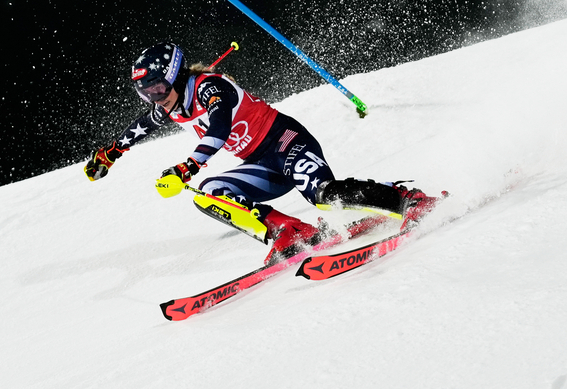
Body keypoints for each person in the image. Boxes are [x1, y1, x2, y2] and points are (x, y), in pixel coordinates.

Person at [84, 42, 440, 263]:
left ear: (175, 75)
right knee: (210, 195)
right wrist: (111, 153)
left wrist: (188, 166)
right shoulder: (169, 105)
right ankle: (288, 233)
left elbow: (219, 128)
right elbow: (142, 125)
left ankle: (406, 198)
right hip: (261, 166)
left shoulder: (210, 87)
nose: (155, 97)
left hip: (286, 143)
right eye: (147, 92)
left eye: (158, 87)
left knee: (324, 196)